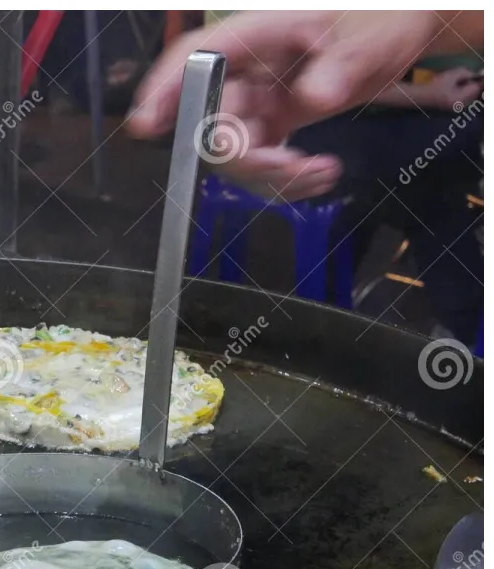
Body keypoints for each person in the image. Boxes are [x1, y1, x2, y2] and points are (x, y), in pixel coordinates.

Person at [129, 11, 484, 345]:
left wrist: (429, 24)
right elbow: (306, 81)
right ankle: (459, 325)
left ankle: (334, 318)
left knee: (427, 179)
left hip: (360, 115)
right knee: (430, 178)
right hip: (312, 126)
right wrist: (427, 92)